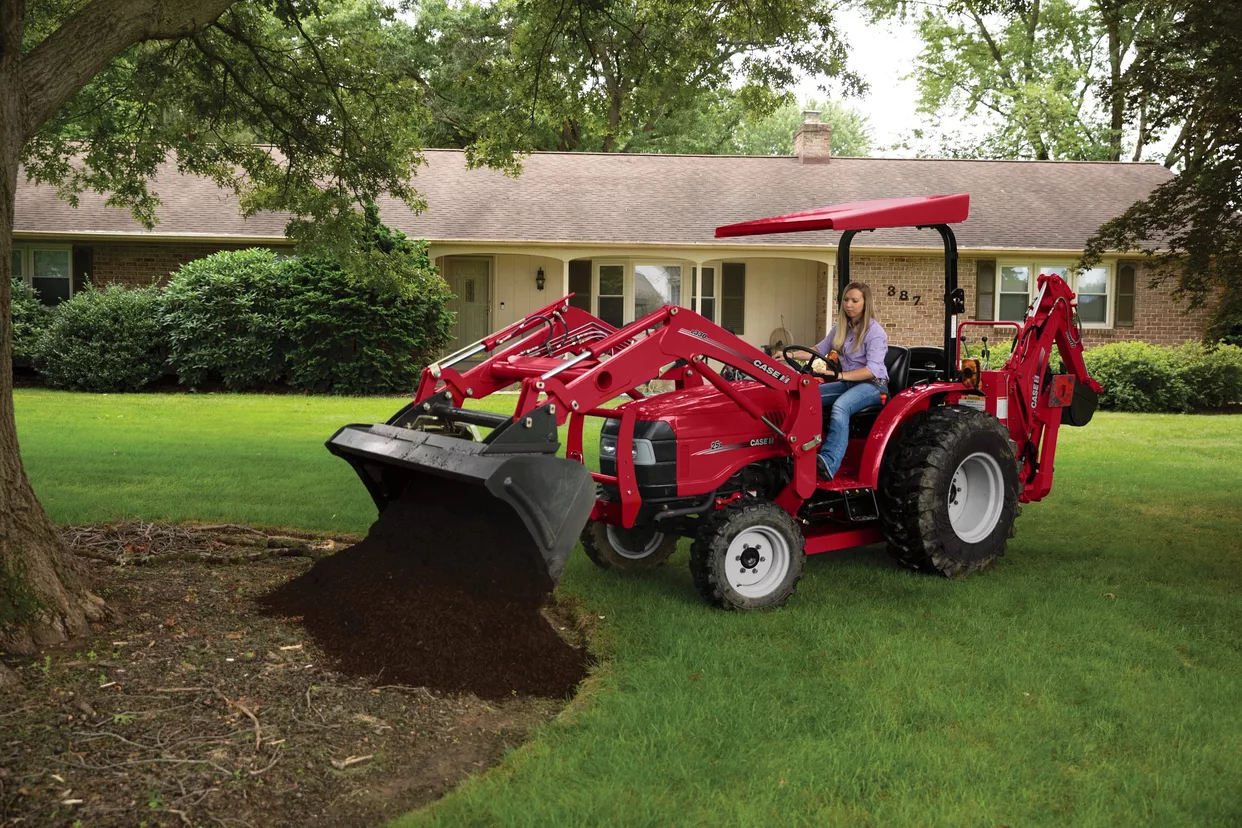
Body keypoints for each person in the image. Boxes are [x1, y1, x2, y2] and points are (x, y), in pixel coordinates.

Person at [813, 282, 888, 480]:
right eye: (846, 300)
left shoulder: (875, 332)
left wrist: (840, 376)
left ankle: (828, 462)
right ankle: (804, 450)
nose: (849, 305)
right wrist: (788, 353)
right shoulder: (841, 328)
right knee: (808, 396)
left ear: (865, 303)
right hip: (848, 383)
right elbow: (818, 350)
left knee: (840, 407)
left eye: (855, 300)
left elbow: (872, 369)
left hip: (873, 385)